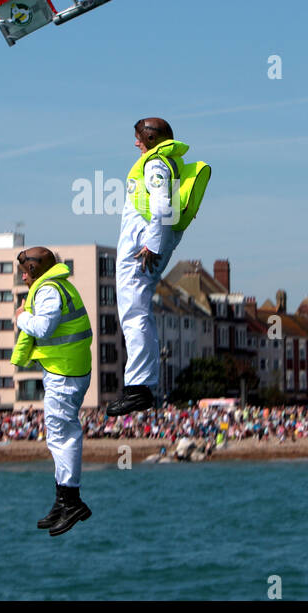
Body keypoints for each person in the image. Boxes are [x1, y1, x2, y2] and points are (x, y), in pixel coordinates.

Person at [12, 247, 94, 536]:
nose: (22, 275)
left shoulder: (48, 291)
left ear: (36, 270)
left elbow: (44, 328)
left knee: (63, 435)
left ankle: (71, 500)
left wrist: (21, 316)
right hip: (68, 368)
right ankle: (63, 500)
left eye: (26, 270)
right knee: (58, 435)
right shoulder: (59, 285)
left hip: (64, 372)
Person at [108, 117, 188, 416]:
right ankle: (138, 385)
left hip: (142, 249)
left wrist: (152, 245)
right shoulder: (163, 162)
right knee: (137, 309)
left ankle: (138, 388)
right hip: (144, 245)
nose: (136, 143)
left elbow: (161, 205)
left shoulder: (155, 165)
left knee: (134, 310)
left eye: (140, 137)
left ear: (152, 139)